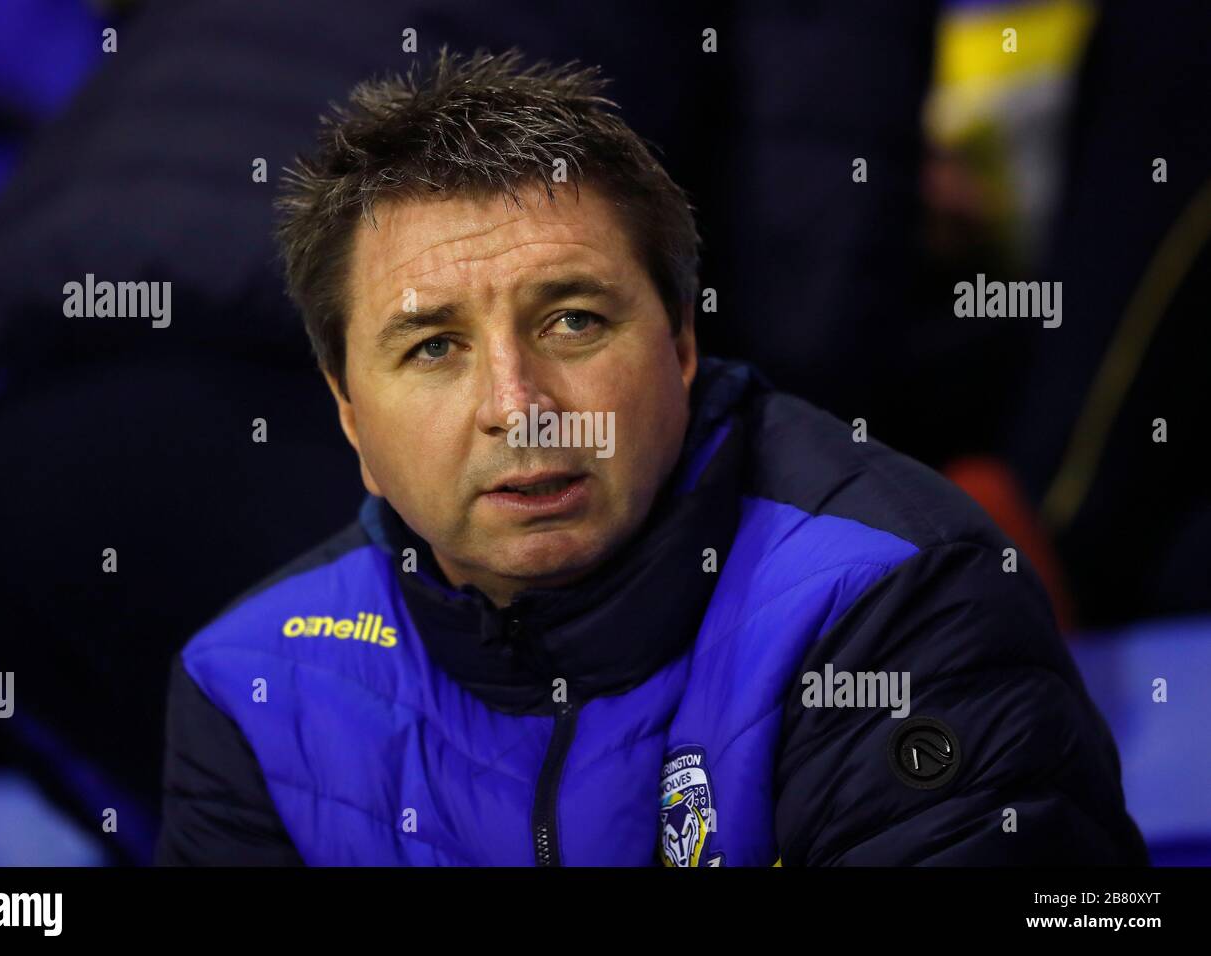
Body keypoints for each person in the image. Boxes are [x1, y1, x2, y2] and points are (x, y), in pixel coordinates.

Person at [155, 48, 1146, 866]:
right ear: (351, 419)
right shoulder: (251, 685)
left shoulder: (898, 601)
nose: (519, 406)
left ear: (679, 347)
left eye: (574, 320)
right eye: (434, 346)